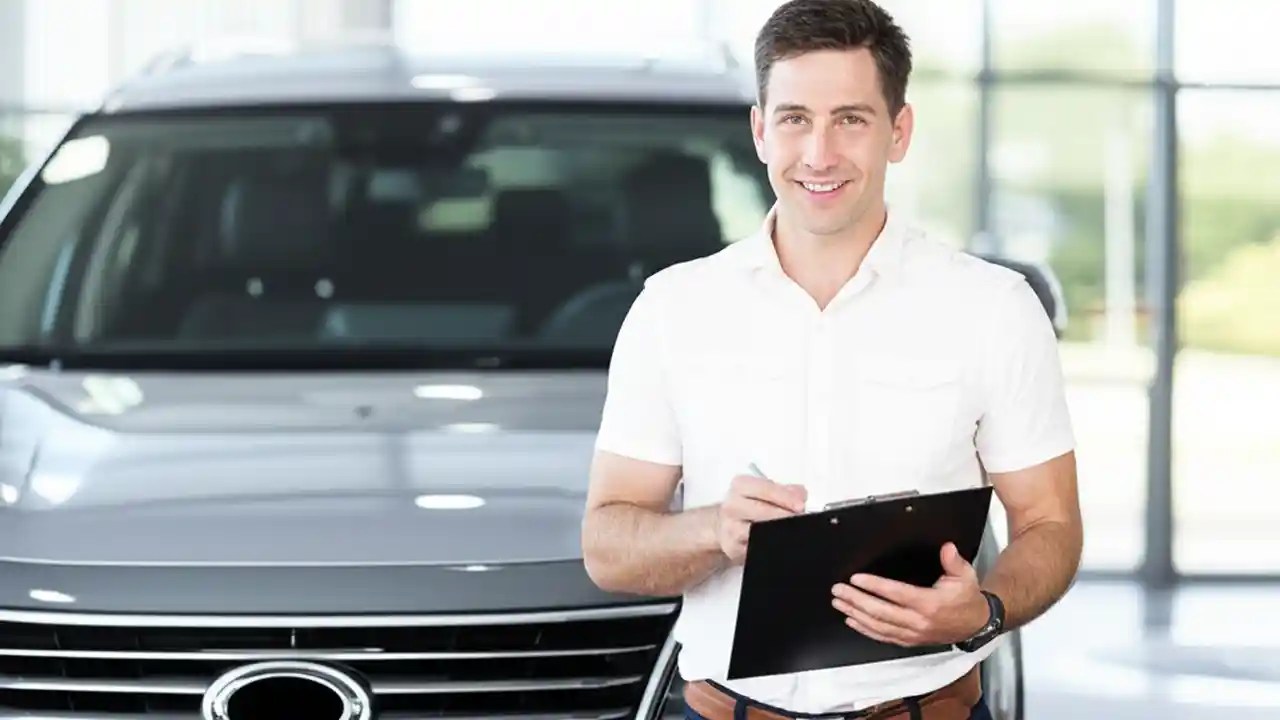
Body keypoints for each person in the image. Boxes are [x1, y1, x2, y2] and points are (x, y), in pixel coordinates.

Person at [580, 0, 1084, 717]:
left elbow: (1052, 526)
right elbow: (607, 545)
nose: (818, 154)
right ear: (760, 131)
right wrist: (714, 531)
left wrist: (986, 609)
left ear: (898, 132)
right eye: (794, 119)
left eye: (850, 119)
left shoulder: (992, 307)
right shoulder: (672, 310)